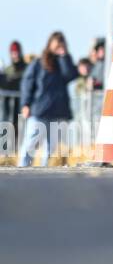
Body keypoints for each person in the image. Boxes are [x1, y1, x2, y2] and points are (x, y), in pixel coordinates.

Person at [18, 31, 78, 167]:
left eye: (62, 43)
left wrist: (64, 56)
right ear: (50, 44)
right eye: (57, 43)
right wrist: (25, 104)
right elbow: (27, 83)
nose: (59, 45)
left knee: (51, 150)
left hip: (58, 112)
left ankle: (45, 176)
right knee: (30, 145)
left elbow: (70, 75)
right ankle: (21, 171)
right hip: (39, 111)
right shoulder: (38, 63)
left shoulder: (64, 62)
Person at [1, 41, 24, 136]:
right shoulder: (7, 70)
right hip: (7, 105)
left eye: (17, 51)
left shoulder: (26, 68)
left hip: (21, 105)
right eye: (13, 52)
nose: (15, 54)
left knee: (20, 126)